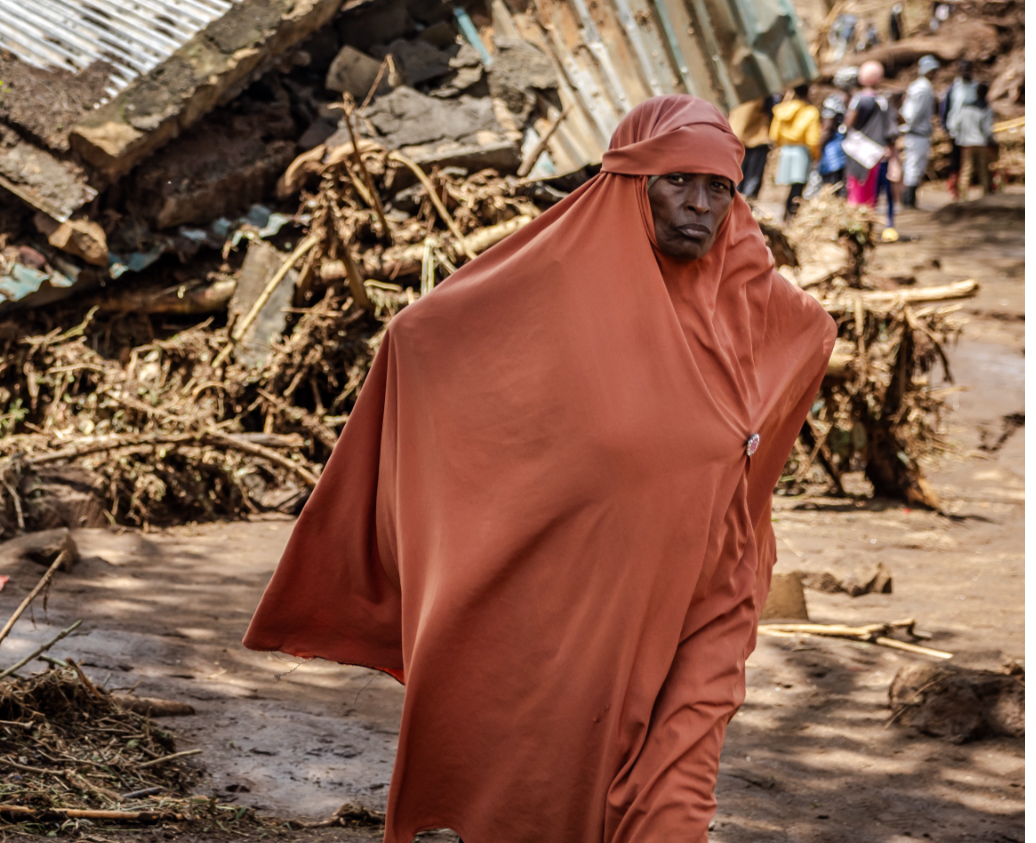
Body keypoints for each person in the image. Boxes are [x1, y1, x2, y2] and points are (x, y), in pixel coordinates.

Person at [244, 96, 835, 843]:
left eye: (720, 186)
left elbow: (806, 341)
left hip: (710, 596)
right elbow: (427, 336)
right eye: (678, 180)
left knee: (676, 793)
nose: (700, 204)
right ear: (632, 184)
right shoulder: (559, 284)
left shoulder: (745, 293)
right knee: (564, 781)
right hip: (589, 602)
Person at [844, 60, 898, 229]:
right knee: (872, 193)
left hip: (857, 153)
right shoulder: (883, 101)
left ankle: (857, 224)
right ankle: (869, 225)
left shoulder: (858, 100)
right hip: (877, 154)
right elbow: (891, 129)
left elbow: (848, 124)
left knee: (857, 189)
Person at [769, 83, 821, 219]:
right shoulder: (810, 112)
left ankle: (784, 215)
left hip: (785, 150)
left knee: (787, 188)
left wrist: (780, 146)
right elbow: (812, 139)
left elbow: (774, 135)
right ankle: (791, 216)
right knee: (798, 188)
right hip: (801, 152)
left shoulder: (782, 109)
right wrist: (816, 155)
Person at [944, 62, 995, 200]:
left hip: (966, 143)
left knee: (966, 169)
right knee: (983, 170)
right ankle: (986, 195)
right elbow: (987, 129)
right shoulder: (986, 110)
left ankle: (963, 195)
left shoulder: (966, 108)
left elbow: (957, 123)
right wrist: (991, 140)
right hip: (981, 143)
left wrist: (957, 134)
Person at [898, 56, 940, 209]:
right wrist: (908, 124)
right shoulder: (923, 88)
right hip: (917, 133)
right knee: (914, 166)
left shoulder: (918, 86)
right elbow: (915, 113)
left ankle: (908, 200)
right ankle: (908, 202)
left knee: (912, 166)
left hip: (915, 133)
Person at [727, 93, 775, 199]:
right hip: (757, 138)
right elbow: (772, 113)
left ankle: (734, 201)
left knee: (737, 175)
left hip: (736, 136)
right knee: (753, 177)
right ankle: (747, 202)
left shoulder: (734, 91)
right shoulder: (762, 93)